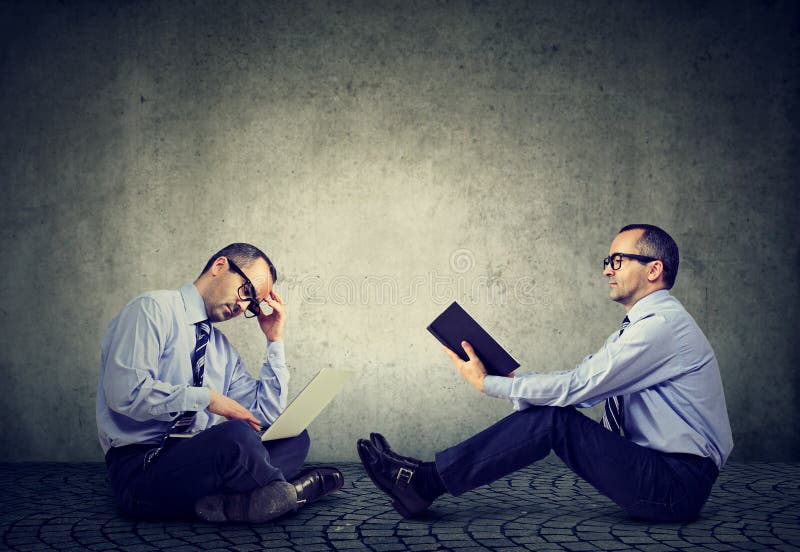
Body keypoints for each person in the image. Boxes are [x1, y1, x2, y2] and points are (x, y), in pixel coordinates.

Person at [358, 224, 733, 522]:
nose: (606, 269)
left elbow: (578, 388)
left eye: (617, 260)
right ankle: (422, 480)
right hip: (660, 471)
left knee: (555, 420)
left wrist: (488, 384)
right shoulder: (642, 327)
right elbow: (585, 381)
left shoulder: (661, 328)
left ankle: (422, 483)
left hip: (675, 484)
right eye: (607, 260)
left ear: (653, 269)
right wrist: (509, 374)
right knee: (552, 415)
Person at [97, 242, 343, 522]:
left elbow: (266, 415)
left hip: (195, 464)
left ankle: (232, 502)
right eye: (247, 291)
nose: (244, 306)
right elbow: (124, 393)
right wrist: (209, 399)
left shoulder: (222, 350)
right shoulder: (151, 309)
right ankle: (284, 494)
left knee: (292, 437)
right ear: (219, 266)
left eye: (252, 303)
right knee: (235, 437)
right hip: (141, 470)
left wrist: (274, 340)